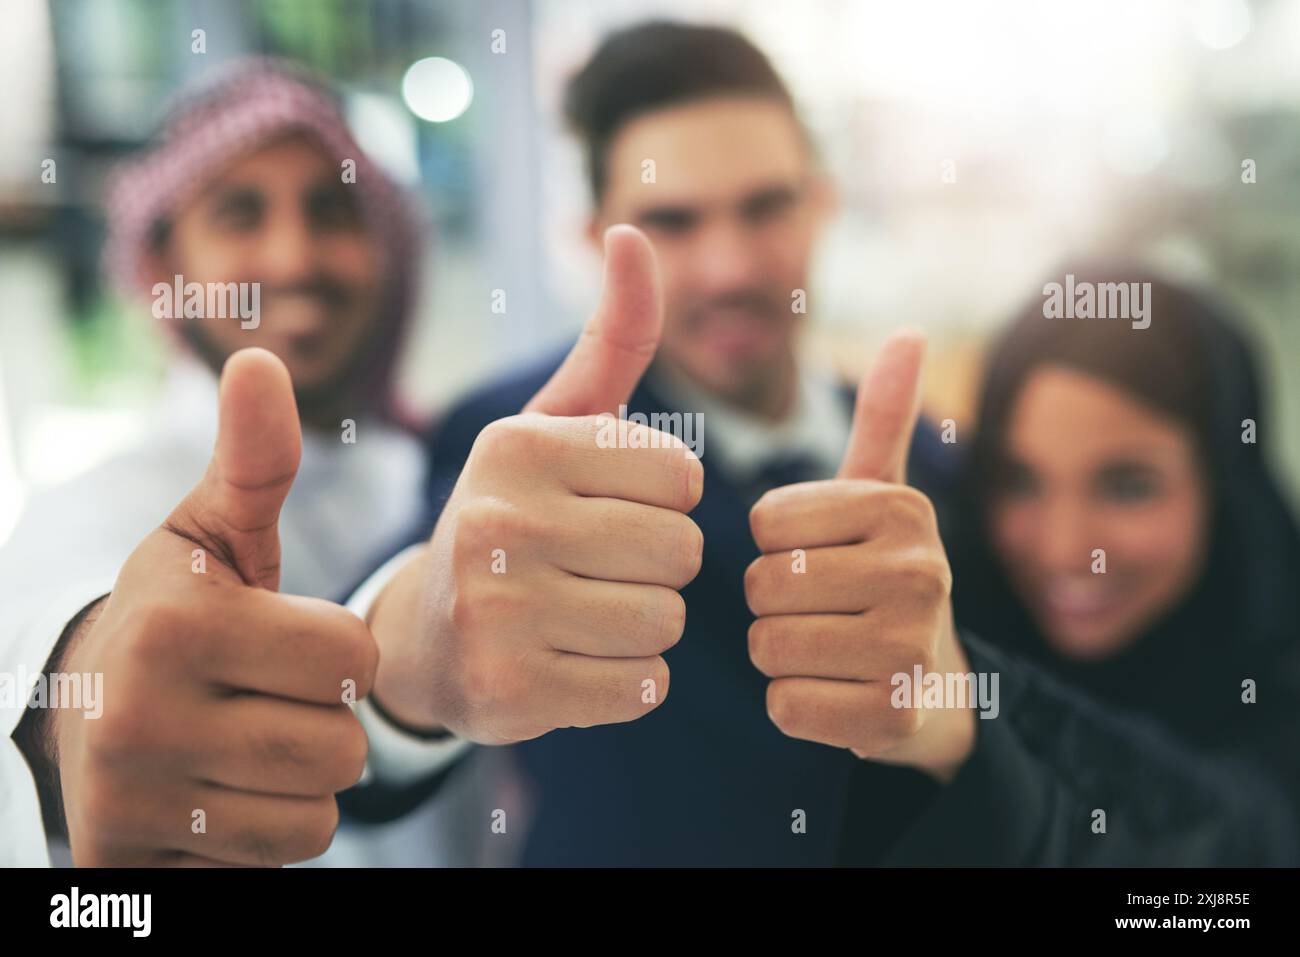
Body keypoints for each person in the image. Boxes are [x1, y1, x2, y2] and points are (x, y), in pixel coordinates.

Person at [347, 22, 1296, 865]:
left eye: (765, 207)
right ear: (597, 236)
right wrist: (410, 652)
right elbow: (407, 651)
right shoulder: (523, 441)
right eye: (674, 221)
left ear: (822, 204)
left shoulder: (936, 463)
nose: (731, 266)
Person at [0, 58, 464, 866]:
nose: (293, 258)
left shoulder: (429, 477)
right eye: (239, 213)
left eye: (330, 211)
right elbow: (45, 658)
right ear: (161, 271)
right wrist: (70, 716)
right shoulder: (88, 502)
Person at [948, 264, 1300, 853]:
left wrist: (967, 714)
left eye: (1128, 486)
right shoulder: (960, 612)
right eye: (1020, 481)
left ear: (1224, 489)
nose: (1064, 550)